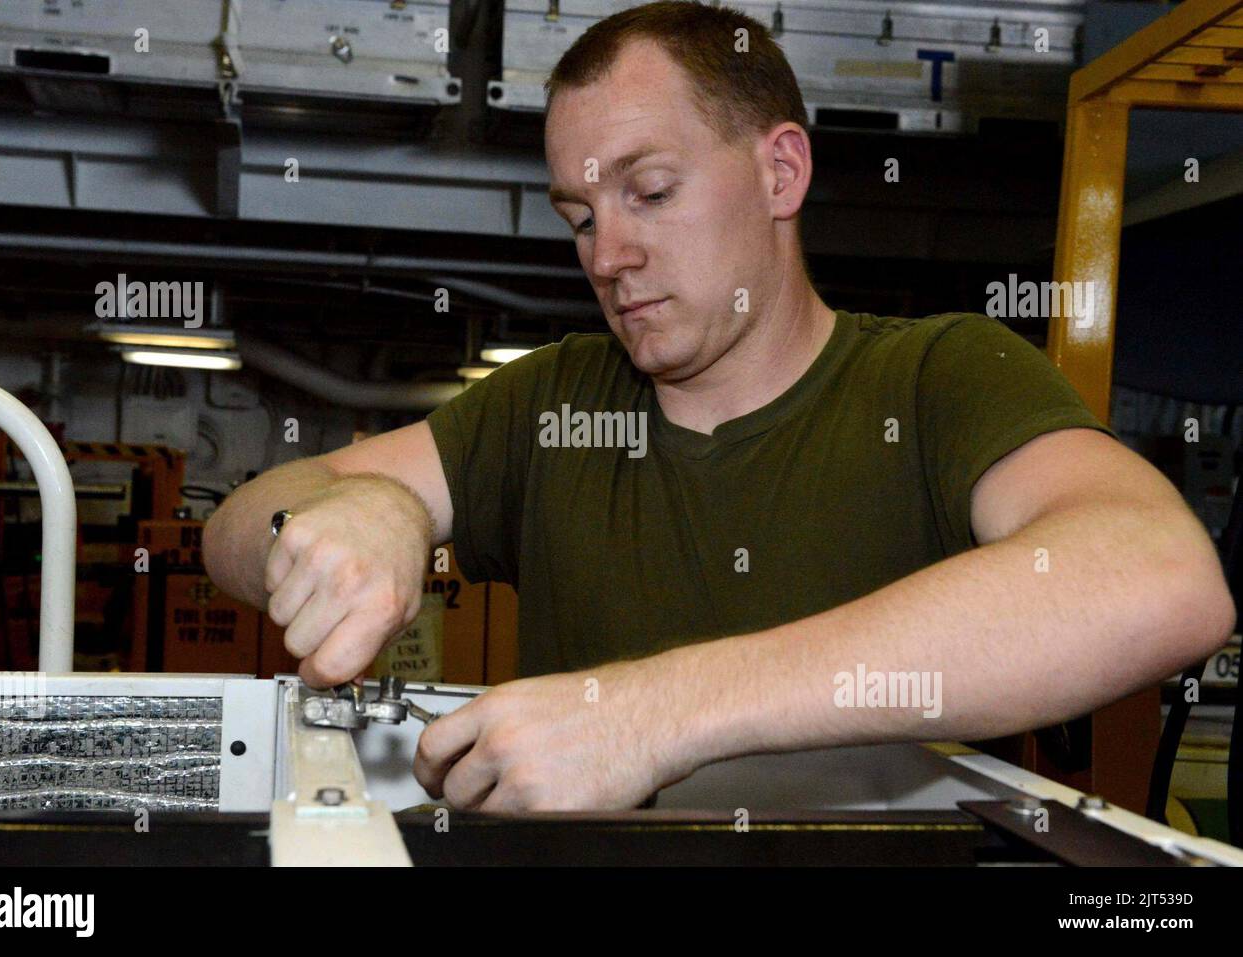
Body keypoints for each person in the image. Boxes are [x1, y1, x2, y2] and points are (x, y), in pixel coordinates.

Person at [205, 1, 1235, 811]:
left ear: (779, 171)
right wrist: (362, 507)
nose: (608, 257)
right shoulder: (552, 402)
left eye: (650, 193)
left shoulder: (936, 380)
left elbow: (1155, 578)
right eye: (580, 216)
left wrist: (657, 713)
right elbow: (237, 529)